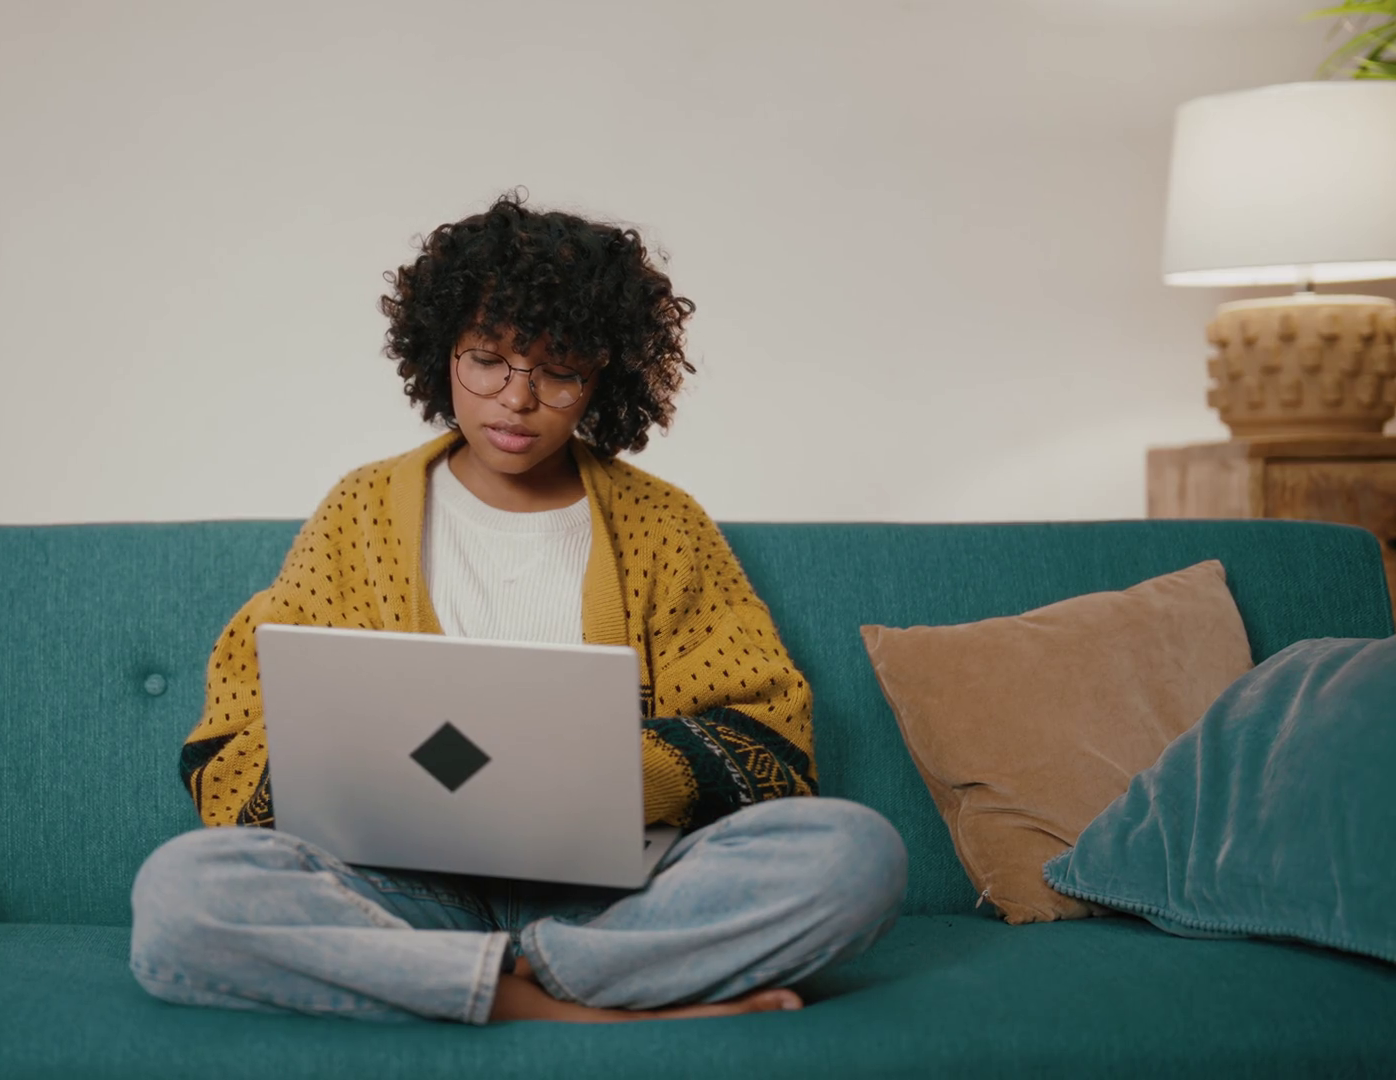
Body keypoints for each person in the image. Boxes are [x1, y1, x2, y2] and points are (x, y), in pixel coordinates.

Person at [129, 192, 907, 1025]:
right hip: (399, 892)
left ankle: (500, 980)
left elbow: (770, 742)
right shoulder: (360, 510)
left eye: (559, 369)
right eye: (488, 359)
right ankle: (577, 1006)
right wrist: (354, 781)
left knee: (856, 854)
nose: (517, 398)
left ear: (604, 375)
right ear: (442, 354)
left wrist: (613, 777)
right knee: (182, 889)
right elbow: (238, 738)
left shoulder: (665, 524)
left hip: (610, 901)